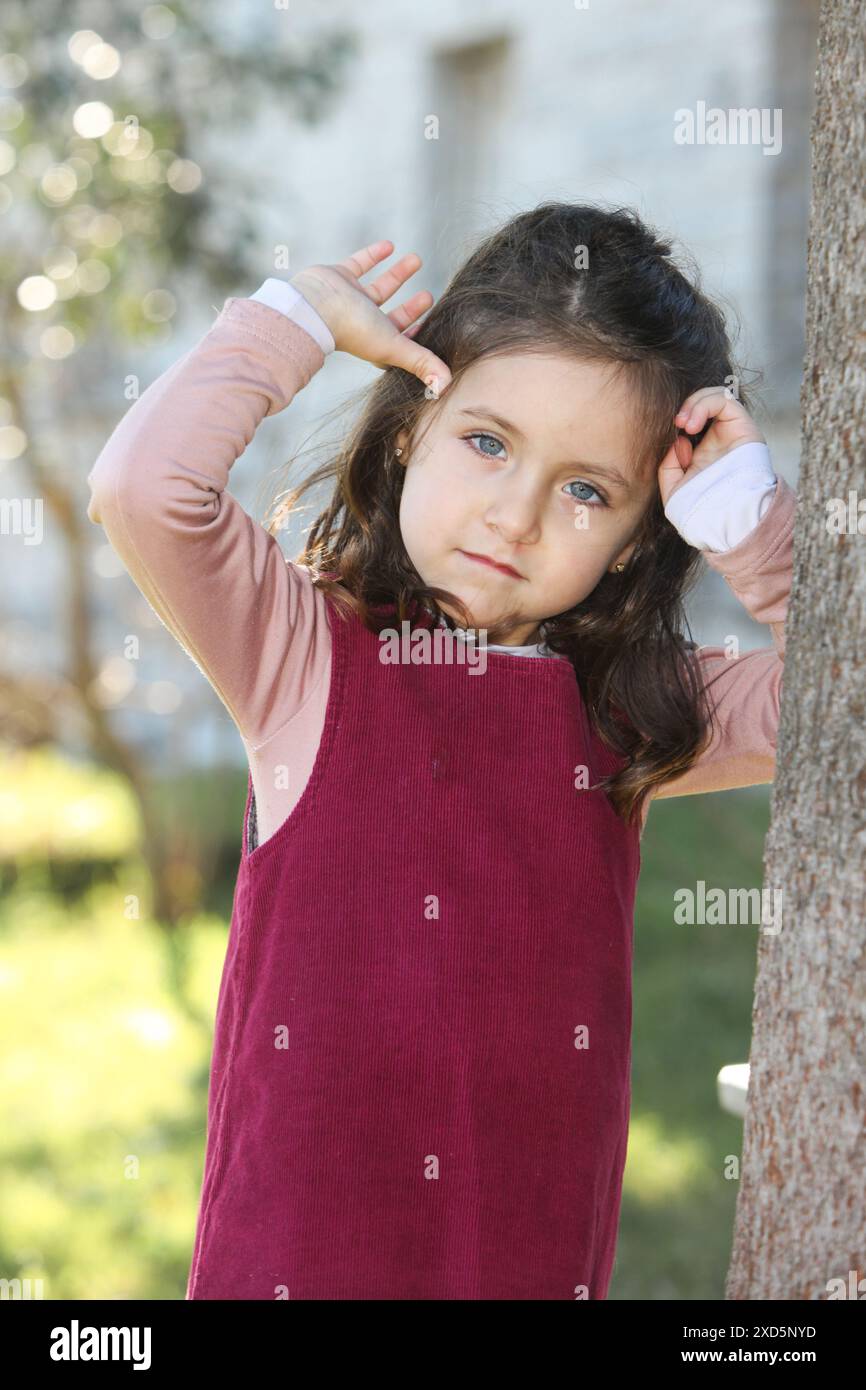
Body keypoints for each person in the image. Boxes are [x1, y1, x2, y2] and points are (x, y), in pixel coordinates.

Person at [87, 202, 795, 1300]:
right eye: (485, 441)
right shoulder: (303, 657)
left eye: (582, 491)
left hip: (525, 1257)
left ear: (629, 543)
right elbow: (145, 492)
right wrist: (296, 322)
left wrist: (755, 532)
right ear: (410, 424)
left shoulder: (632, 713)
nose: (513, 516)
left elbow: (837, 711)